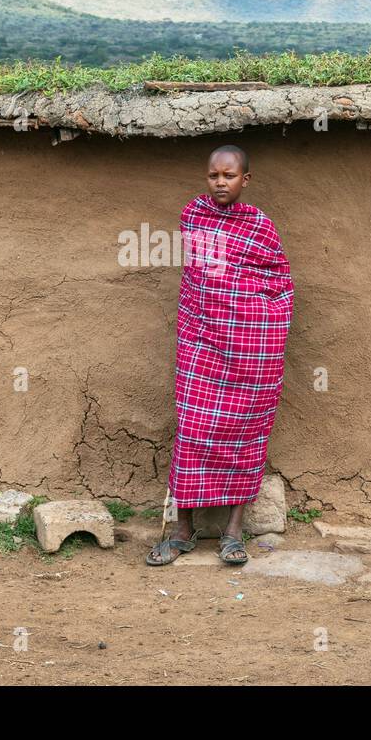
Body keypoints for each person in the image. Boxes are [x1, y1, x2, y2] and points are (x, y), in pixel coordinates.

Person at [147, 145, 294, 566]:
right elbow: (198, 285)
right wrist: (210, 322)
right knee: (192, 431)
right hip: (202, 344)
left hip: (250, 353)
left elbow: (277, 283)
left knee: (245, 436)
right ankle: (182, 530)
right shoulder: (194, 216)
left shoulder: (260, 227)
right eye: (213, 175)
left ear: (244, 180)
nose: (220, 183)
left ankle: (233, 532)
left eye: (229, 176)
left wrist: (255, 325)